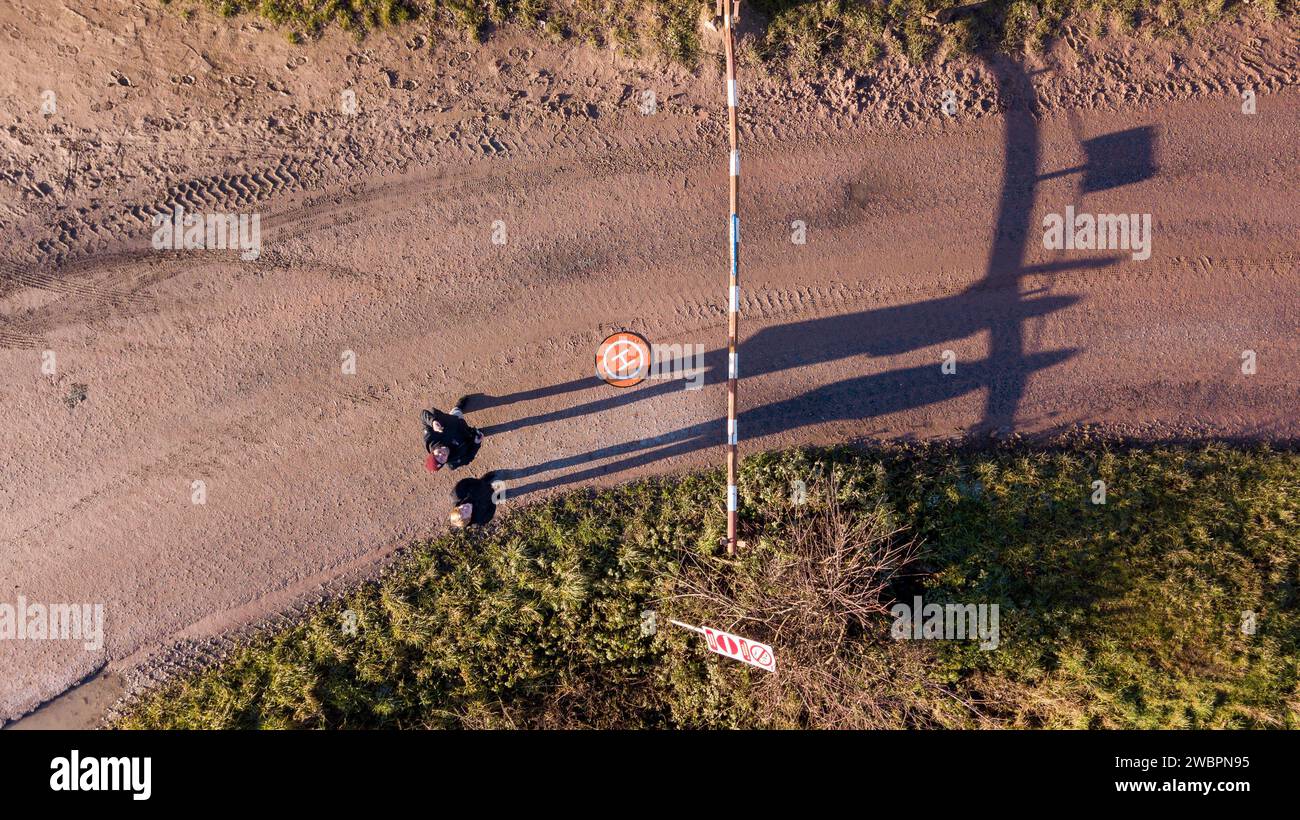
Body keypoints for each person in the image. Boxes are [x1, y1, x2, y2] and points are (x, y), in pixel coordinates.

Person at [422, 395, 483, 472]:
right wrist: (476, 444)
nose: (441, 455)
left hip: (456, 421)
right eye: (441, 460)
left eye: (436, 455)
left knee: (457, 411)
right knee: (477, 435)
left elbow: (423, 415)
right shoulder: (454, 463)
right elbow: (469, 457)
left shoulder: (430, 438)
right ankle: (476, 433)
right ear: (444, 462)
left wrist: (433, 422)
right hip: (467, 435)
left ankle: (458, 406)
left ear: (433, 451)